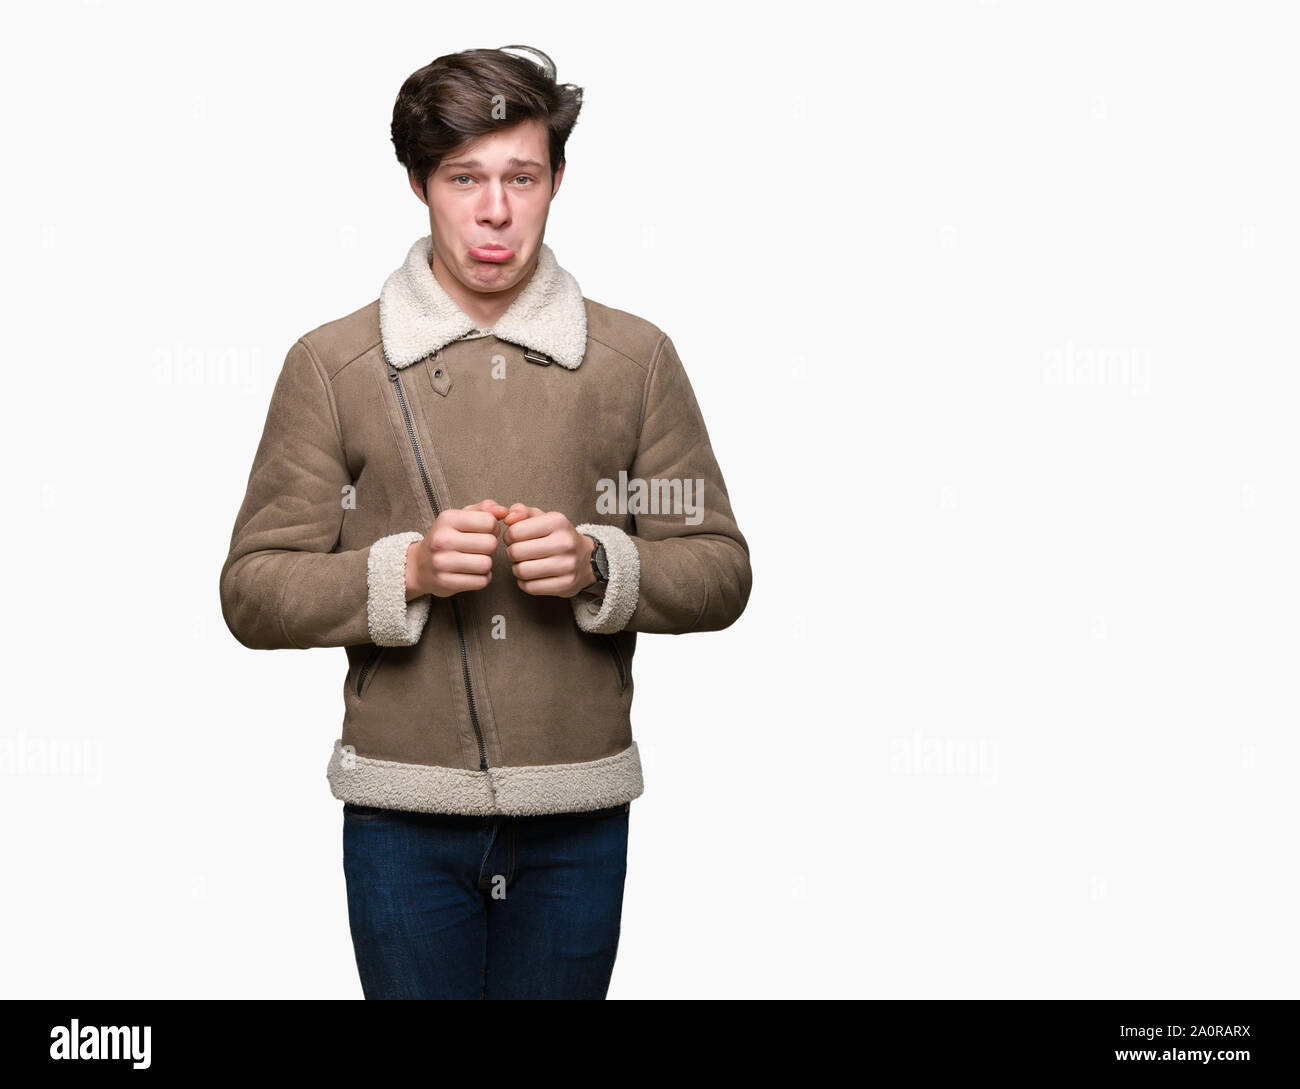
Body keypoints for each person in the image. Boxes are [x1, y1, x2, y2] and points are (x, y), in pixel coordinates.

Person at [218, 44, 752, 999]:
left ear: (557, 180)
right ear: (419, 182)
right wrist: (405, 573)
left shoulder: (636, 359)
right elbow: (254, 590)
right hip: (400, 814)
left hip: (578, 808)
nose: (496, 210)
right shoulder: (332, 363)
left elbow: (720, 567)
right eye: (465, 178)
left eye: (522, 176)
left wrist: (602, 563)